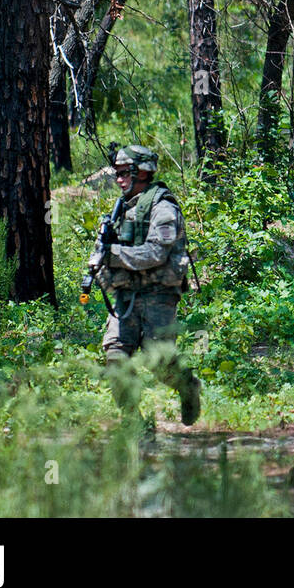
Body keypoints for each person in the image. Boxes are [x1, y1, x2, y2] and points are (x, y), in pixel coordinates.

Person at [90, 144, 201, 425]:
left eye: (124, 173)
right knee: (115, 357)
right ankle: (134, 421)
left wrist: (113, 256)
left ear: (141, 173)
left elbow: (154, 254)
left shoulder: (163, 209)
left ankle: (189, 388)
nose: (118, 179)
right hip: (126, 296)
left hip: (157, 295)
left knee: (159, 363)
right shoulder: (121, 209)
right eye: (116, 173)